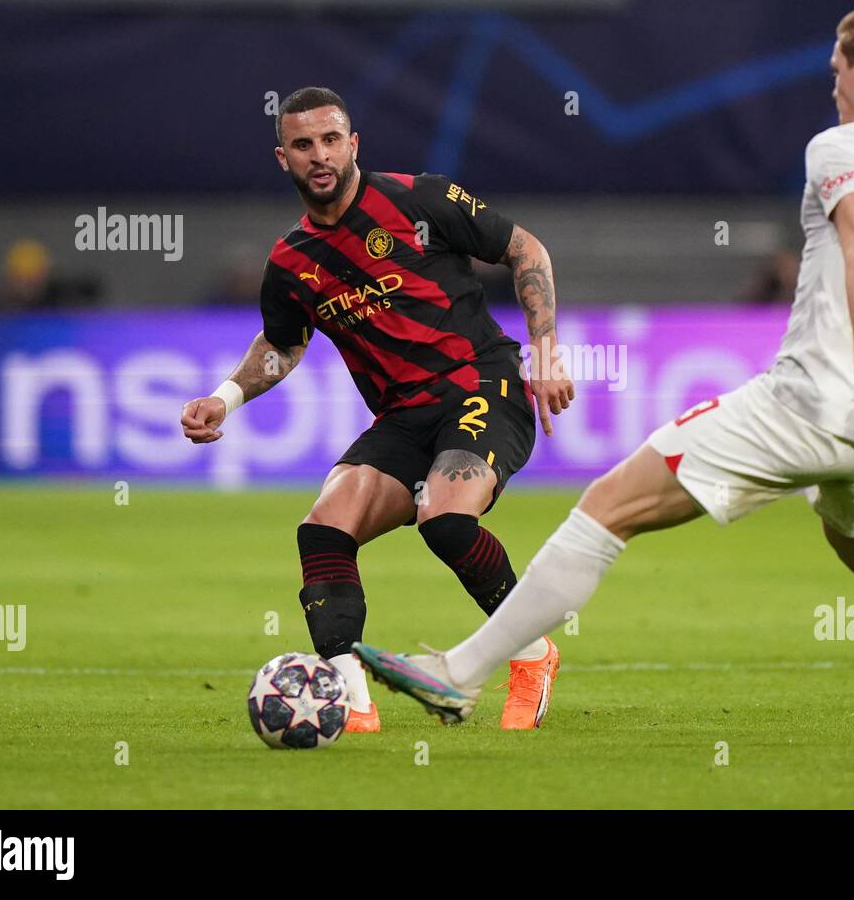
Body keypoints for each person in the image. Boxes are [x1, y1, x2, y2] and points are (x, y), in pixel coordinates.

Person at [353, 0, 854, 749]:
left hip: (816, 399)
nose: (828, 89)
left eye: (832, 72)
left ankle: (458, 673)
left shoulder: (845, 145)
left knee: (609, 506)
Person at [180, 87, 574, 732]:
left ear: (353, 144)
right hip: (402, 418)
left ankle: (531, 653)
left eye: (332, 139)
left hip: (483, 387)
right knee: (324, 530)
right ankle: (350, 700)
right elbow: (283, 345)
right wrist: (223, 399)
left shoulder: (420, 199)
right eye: (303, 145)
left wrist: (547, 348)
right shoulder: (290, 262)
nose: (320, 155)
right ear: (284, 159)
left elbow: (525, 249)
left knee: (444, 520)